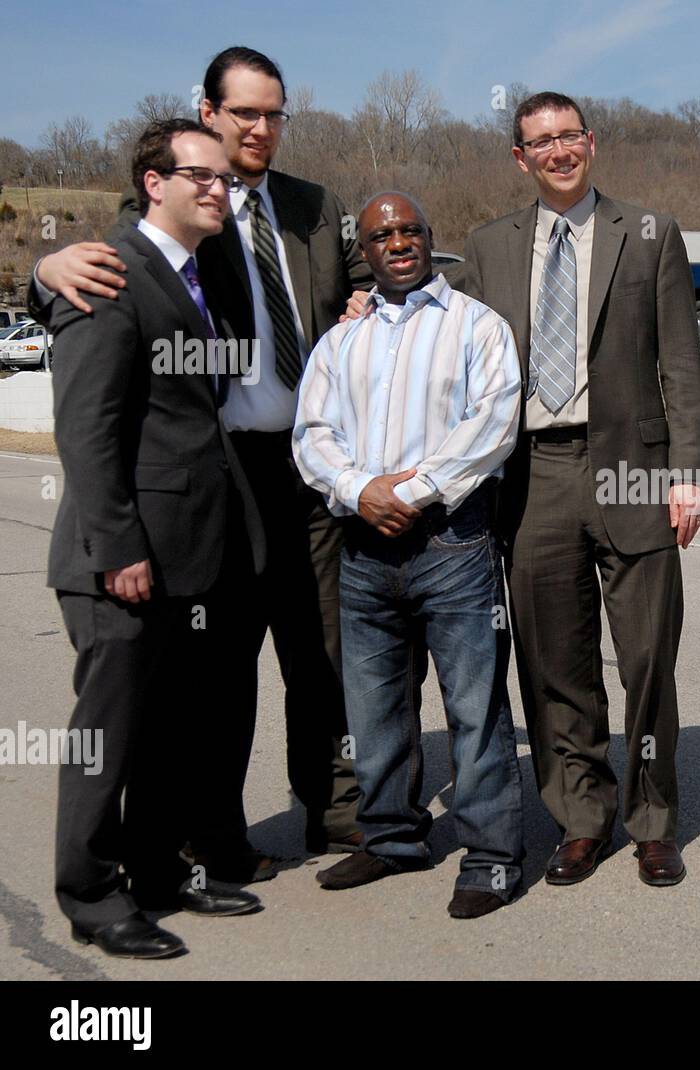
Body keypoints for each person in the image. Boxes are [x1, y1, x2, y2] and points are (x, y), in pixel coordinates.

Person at [30, 46, 371, 877]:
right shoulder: (191, 199)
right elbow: (115, 265)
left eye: (275, 113)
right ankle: (211, 832)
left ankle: (334, 807)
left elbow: (371, 267)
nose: (262, 129)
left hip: (313, 464)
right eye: (245, 113)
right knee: (217, 665)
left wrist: (368, 295)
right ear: (209, 114)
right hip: (224, 471)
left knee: (322, 650)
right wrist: (44, 270)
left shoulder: (315, 205)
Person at [453, 92, 700, 886]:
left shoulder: (650, 232)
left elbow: (682, 366)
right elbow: (455, 353)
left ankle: (653, 820)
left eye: (570, 136)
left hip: (636, 469)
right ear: (519, 158)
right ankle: (581, 819)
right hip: (534, 475)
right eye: (542, 141)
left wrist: (691, 474)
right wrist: (369, 309)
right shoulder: (488, 248)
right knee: (553, 662)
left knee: (646, 660)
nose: (559, 151)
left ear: (591, 144)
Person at [48, 119, 266, 958]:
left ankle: (159, 873)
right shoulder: (109, 272)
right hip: (124, 558)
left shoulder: (194, 275)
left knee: (172, 727)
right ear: (154, 183)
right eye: (201, 176)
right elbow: (87, 429)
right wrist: (117, 549)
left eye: (225, 180)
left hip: (191, 554)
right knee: (110, 734)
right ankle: (91, 894)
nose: (218, 188)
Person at [294, 192, 525, 919]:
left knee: (474, 706)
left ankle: (491, 856)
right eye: (380, 234)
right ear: (362, 251)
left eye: (409, 230)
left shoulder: (477, 326)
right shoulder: (340, 341)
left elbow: (492, 424)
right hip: (363, 548)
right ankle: (392, 837)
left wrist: (415, 491)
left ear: (430, 239)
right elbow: (311, 432)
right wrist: (362, 491)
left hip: (451, 542)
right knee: (375, 707)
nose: (397, 242)